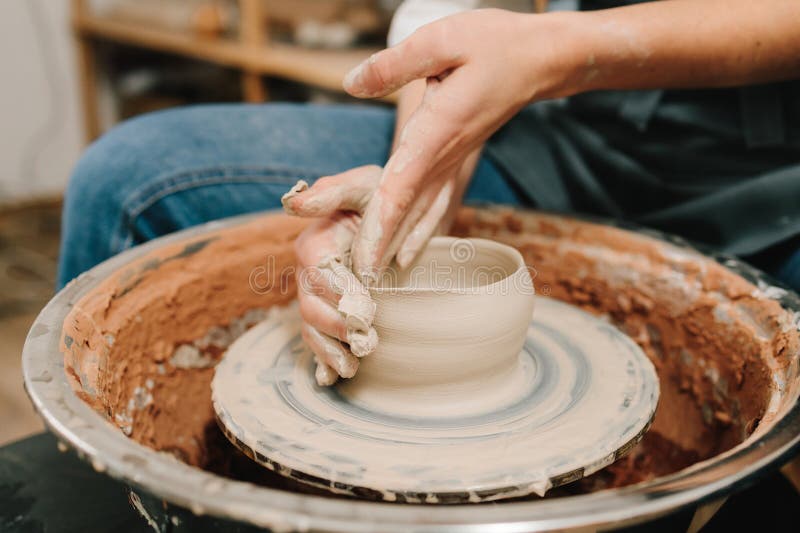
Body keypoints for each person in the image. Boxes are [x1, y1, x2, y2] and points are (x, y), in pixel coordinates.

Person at [59, 0, 800, 383]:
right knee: (125, 185)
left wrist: (567, 52)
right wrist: (410, 187)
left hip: (774, 183)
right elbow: (448, 15)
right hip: (566, 129)